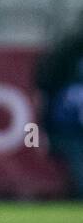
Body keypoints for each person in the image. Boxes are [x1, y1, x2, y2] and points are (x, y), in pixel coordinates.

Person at [35, 22, 83, 197]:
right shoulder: (67, 52)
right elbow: (44, 88)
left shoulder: (66, 50)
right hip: (69, 128)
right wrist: (41, 129)